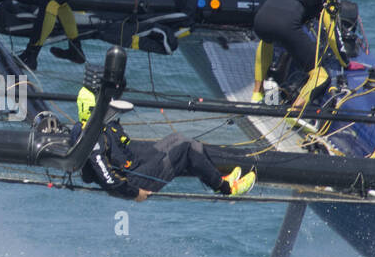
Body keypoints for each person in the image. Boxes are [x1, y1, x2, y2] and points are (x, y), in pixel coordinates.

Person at [69, 84, 256, 200]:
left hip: (134, 164)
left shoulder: (98, 126)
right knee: (186, 148)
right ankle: (226, 189)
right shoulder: (90, 136)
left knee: (179, 139)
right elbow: (108, 180)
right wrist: (135, 193)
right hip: (133, 181)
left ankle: (217, 178)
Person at [251, 0, 345, 110]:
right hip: (286, 27)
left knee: (266, 42)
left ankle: (256, 94)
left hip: (260, 21)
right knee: (320, 75)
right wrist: (344, 59)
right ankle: (295, 111)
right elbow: (331, 30)